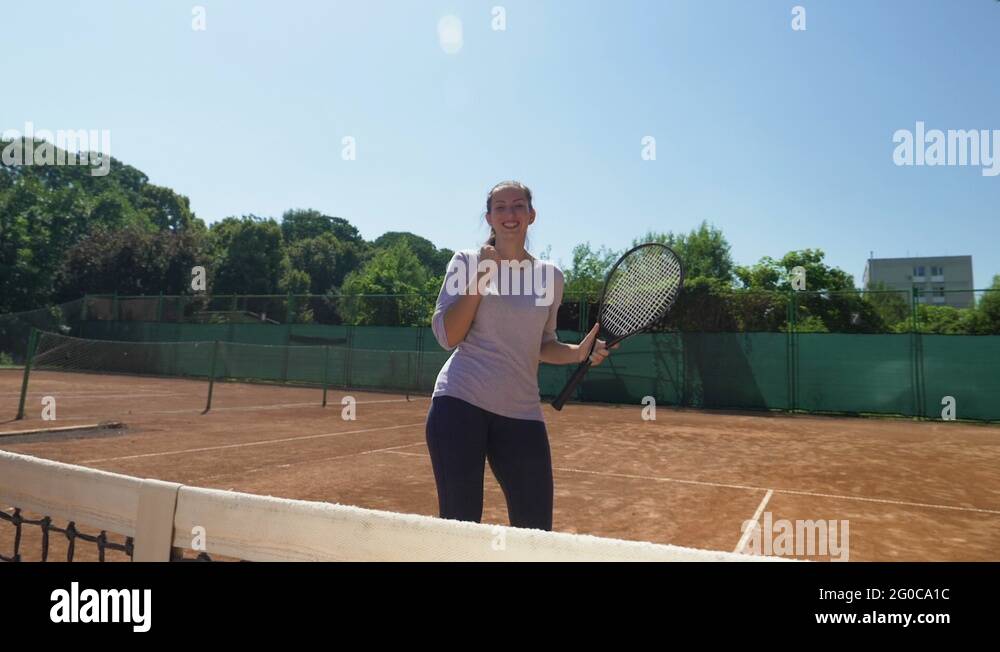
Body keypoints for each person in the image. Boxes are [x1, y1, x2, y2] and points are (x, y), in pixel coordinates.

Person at [425, 180, 613, 531]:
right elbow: (449, 335)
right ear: (489, 218)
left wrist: (577, 353)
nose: (509, 214)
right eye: (500, 207)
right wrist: (482, 275)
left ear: (531, 214)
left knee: (536, 531)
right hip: (460, 402)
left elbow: (542, 344)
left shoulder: (550, 277)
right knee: (460, 525)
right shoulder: (465, 262)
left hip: (522, 412)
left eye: (517, 206)